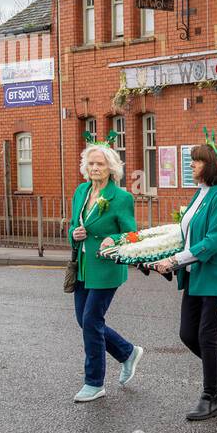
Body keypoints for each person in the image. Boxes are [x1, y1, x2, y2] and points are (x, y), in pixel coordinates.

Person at [151, 137, 217, 421]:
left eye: (197, 160)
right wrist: (159, 254)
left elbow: (214, 241)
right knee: (187, 334)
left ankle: (210, 396)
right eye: (192, 160)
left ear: (213, 165)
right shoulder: (200, 193)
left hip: (216, 277)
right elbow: (186, 234)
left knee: (206, 335)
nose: (192, 165)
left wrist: (175, 260)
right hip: (195, 276)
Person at [68, 142, 141, 403]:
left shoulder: (121, 198)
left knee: (90, 321)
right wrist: (73, 234)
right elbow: (72, 224)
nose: (95, 168)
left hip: (107, 268)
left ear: (111, 168)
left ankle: (94, 382)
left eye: (100, 164)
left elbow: (131, 234)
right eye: (91, 164)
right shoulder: (81, 191)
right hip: (83, 267)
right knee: (85, 320)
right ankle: (127, 352)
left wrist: (113, 239)